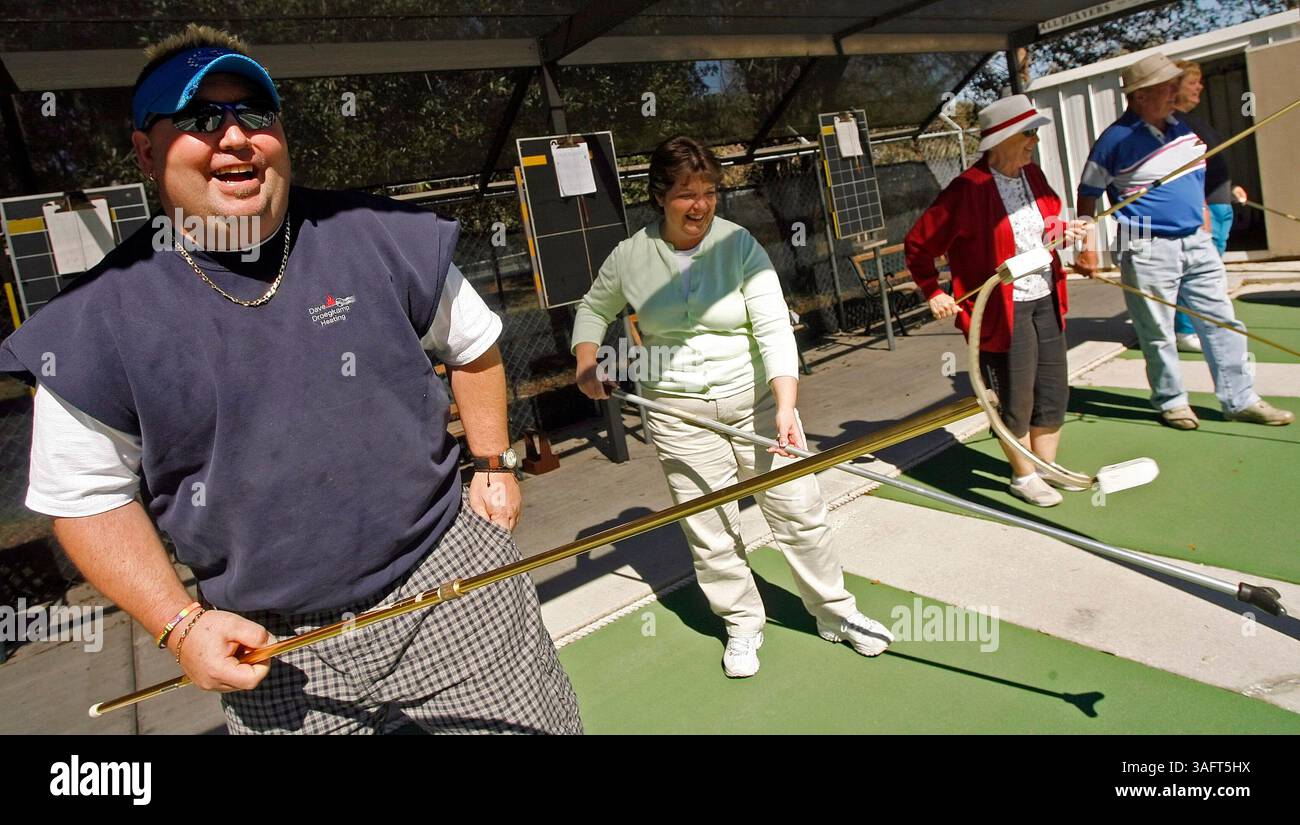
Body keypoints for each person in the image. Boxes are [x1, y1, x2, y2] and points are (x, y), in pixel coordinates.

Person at [0, 25, 582, 734]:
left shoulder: (378, 235)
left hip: (449, 587)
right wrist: (180, 625)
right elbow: (84, 498)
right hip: (273, 645)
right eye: (200, 118)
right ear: (146, 152)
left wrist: (493, 461)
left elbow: (475, 343)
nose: (235, 135)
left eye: (256, 112)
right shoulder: (94, 321)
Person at [570, 136, 894, 678]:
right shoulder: (630, 256)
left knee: (800, 512)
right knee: (711, 530)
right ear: (658, 195)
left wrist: (787, 404)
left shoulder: (740, 245)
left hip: (760, 407)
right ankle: (742, 623)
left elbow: (772, 325)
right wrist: (587, 360)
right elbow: (592, 307)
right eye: (685, 194)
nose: (699, 205)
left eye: (709, 192)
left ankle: (836, 613)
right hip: (679, 417)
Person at [1074, 53, 1292, 430]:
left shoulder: (1184, 129)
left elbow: (1196, 176)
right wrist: (1085, 245)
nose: (1175, 90)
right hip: (1142, 239)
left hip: (1195, 240)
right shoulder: (1115, 139)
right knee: (1156, 329)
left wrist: (1202, 215)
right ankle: (1172, 401)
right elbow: (1088, 192)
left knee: (1221, 321)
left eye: (1176, 83)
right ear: (1140, 95)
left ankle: (1240, 400)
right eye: (1166, 85)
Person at [905, 95, 1089, 507]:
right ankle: (1023, 477)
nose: (1033, 142)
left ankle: (1047, 468)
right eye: (1028, 133)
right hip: (1001, 313)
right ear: (1003, 137)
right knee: (1016, 395)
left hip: (1045, 298)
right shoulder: (966, 191)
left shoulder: (1032, 177)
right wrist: (933, 290)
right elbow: (919, 244)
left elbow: (1048, 219)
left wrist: (1062, 229)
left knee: (1052, 388)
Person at [1170, 59, 1250, 353]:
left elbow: (1211, 166)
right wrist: (1201, 207)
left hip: (1219, 205)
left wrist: (1231, 188)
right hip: (1203, 212)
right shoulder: (1175, 125)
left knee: (1212, 272)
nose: (1200, 87)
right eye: (1193, 82)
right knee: (1198, 273)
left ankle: (1201, 323)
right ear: (1175, 87)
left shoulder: (1196, 121)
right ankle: (1186, 330)